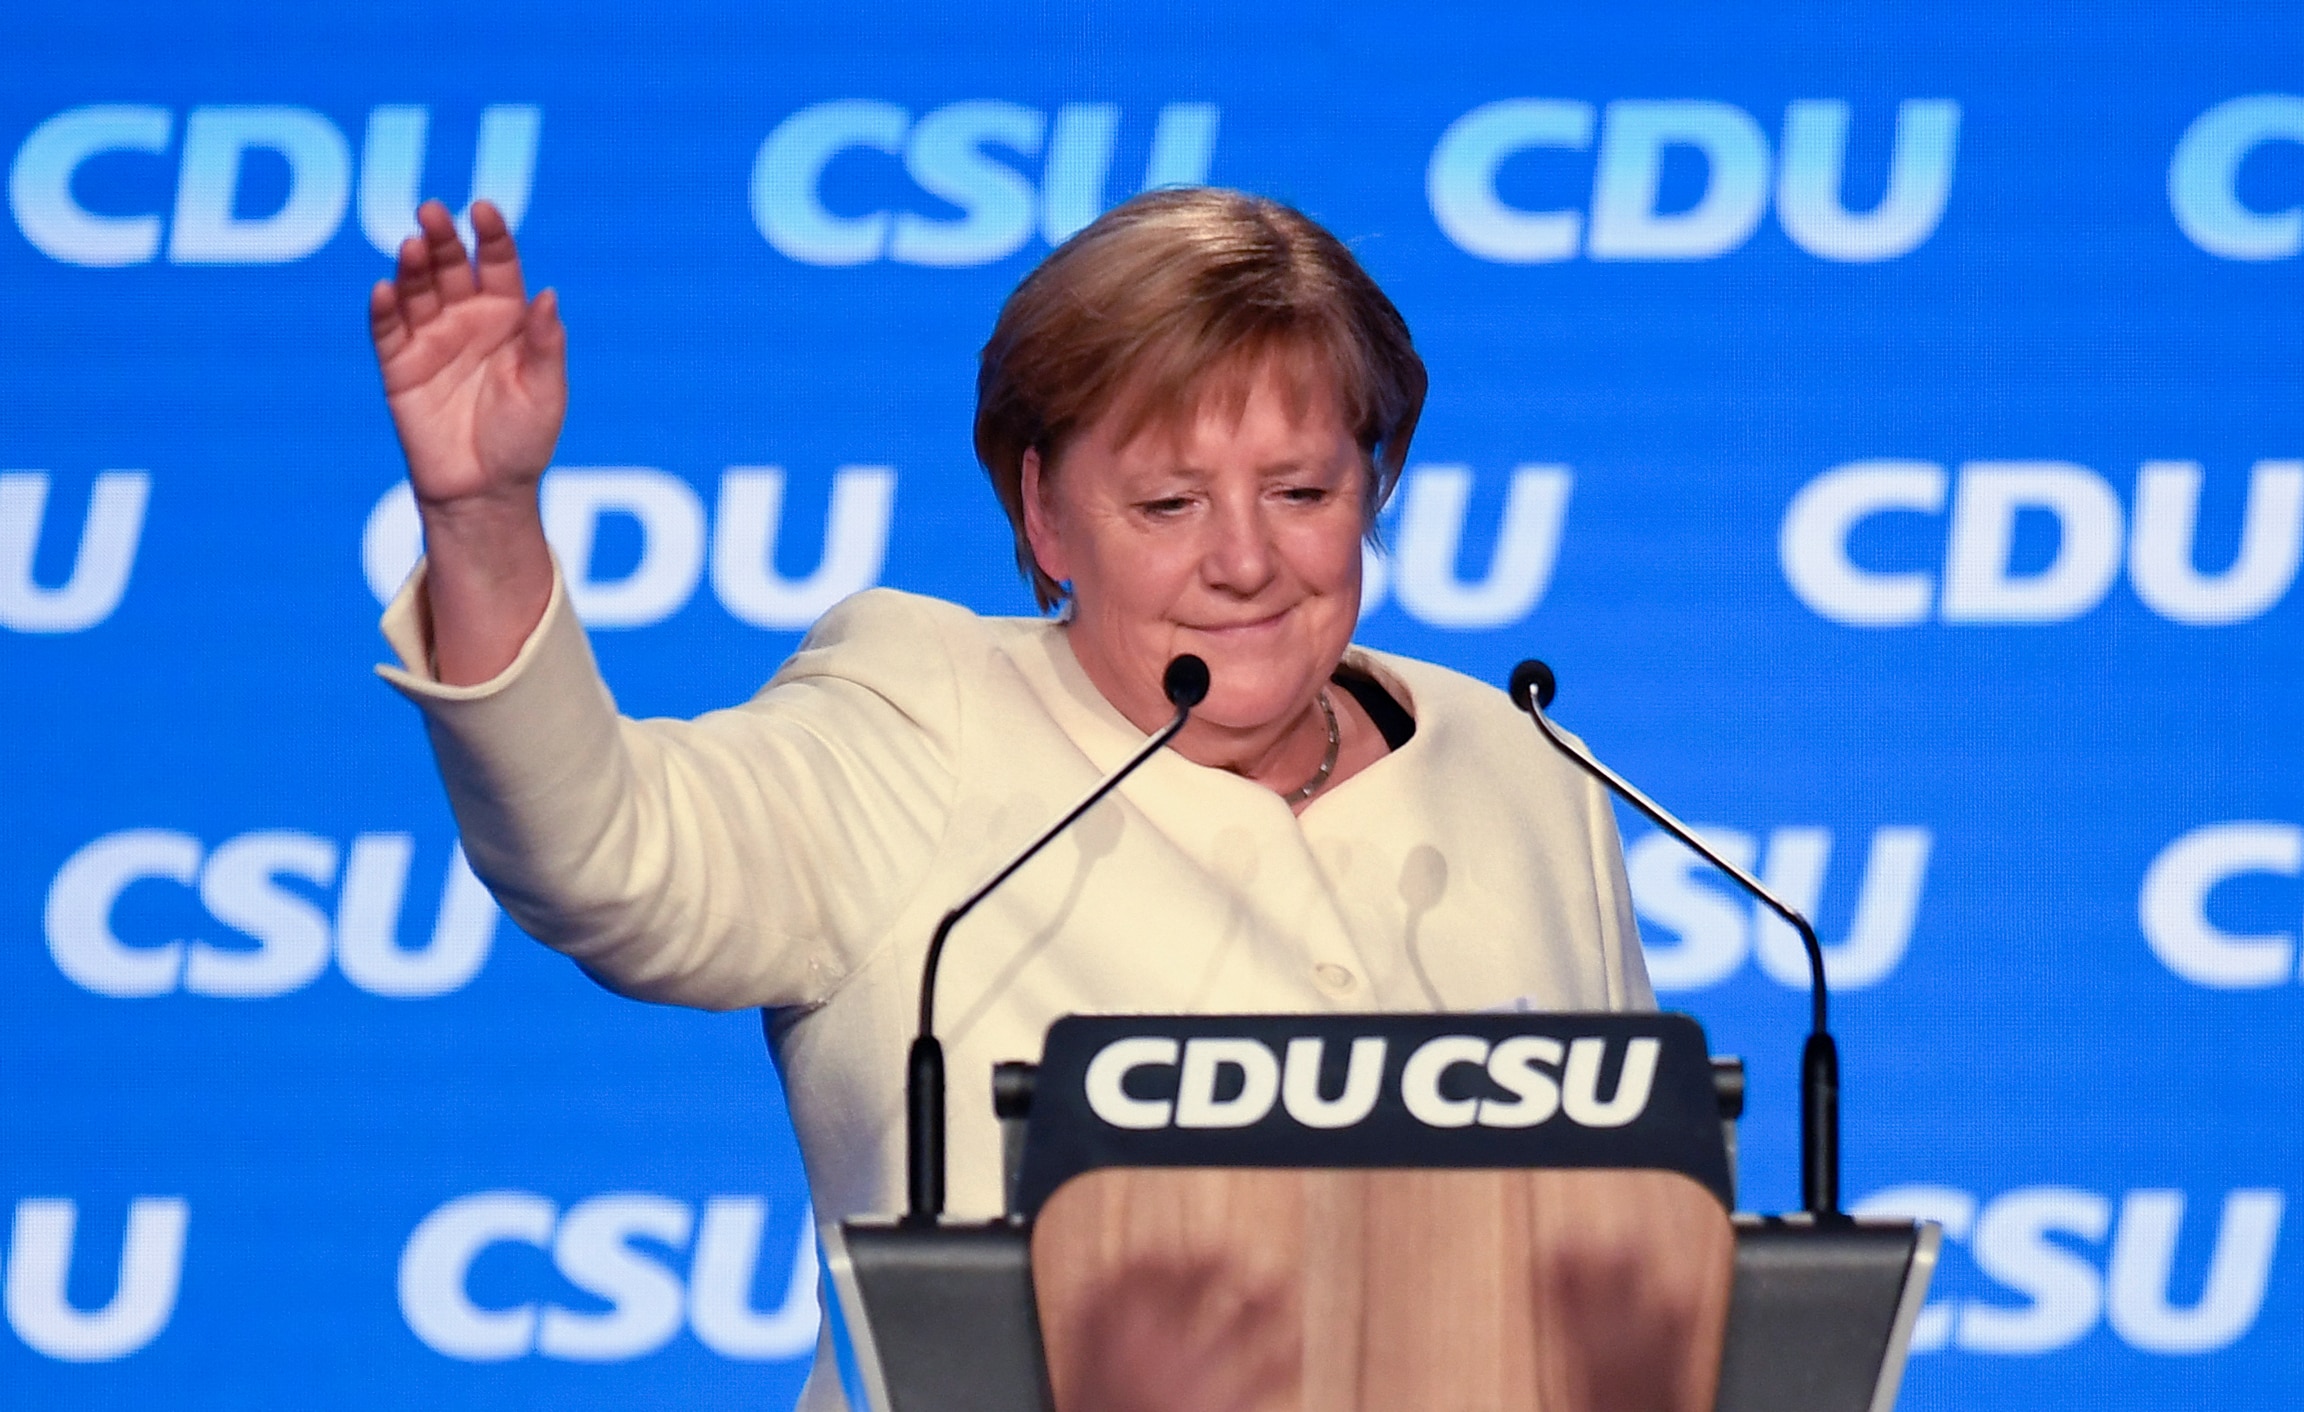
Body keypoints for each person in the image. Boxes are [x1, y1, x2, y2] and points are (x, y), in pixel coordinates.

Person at [369, 186, 1654, 1408]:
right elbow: (612, 858)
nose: (1248, 559)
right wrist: (483, 523)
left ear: (1371, 485)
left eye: (1302, 491)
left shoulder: (1518, 766)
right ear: (1043, 512)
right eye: (1169, 501)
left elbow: (1638, 1251)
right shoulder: (923, 714)